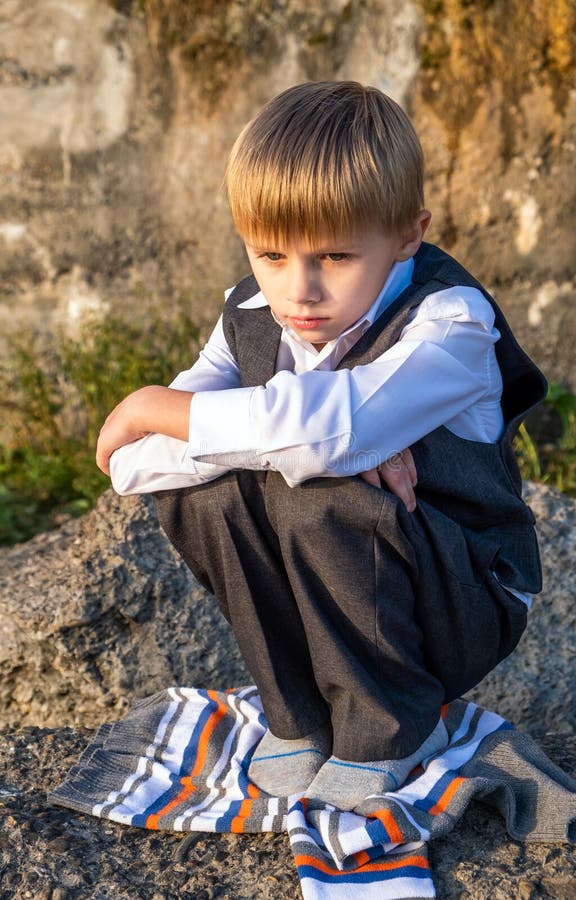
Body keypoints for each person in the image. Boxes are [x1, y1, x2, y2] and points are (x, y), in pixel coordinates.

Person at [96, 81, 547, 812]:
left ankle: (393, 727)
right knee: (204, 491)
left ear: (408, 233)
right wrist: (313, 441)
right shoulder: (249, 310)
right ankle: (299, 713)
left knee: (322, 492)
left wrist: (164, 406)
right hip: (330, 592)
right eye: (270, 253)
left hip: (462, 593)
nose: (299, 290)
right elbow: (134, 462)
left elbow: (308, 433)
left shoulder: (450, 322)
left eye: (334, 256)